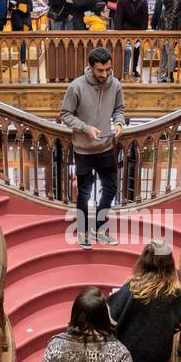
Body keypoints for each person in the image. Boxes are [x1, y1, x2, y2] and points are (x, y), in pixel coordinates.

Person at [60, 47, 126, 248]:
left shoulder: (115, 85)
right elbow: (65, 114)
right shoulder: (76, 87)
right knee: (85, 192)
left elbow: (119, 109)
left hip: (105, 147)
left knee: (111, 188)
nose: (104, 74)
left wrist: (119, 123)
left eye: (107, 69)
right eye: (100, 71)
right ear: (90, 67)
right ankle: (82, 231)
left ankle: (98, 227)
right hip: (83, 150)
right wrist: (85, 128)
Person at [112, 0, 148, 78]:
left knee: (136, 50)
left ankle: (134, 69)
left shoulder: (143, 0)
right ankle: (123, 70)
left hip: (138, 29)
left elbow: (145, 18)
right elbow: (118, 16)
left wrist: (143, 32)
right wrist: (118, 32)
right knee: (125, 50)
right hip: (124, 28)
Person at [7, 0, 33, 64]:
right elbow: (10, 9)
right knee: (17, 42)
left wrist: (18, 6)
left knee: (23, 43)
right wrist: (11, 8)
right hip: (15, 21)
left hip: (24, 21)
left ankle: (23, 62)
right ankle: (20, 61)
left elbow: (30, 8)